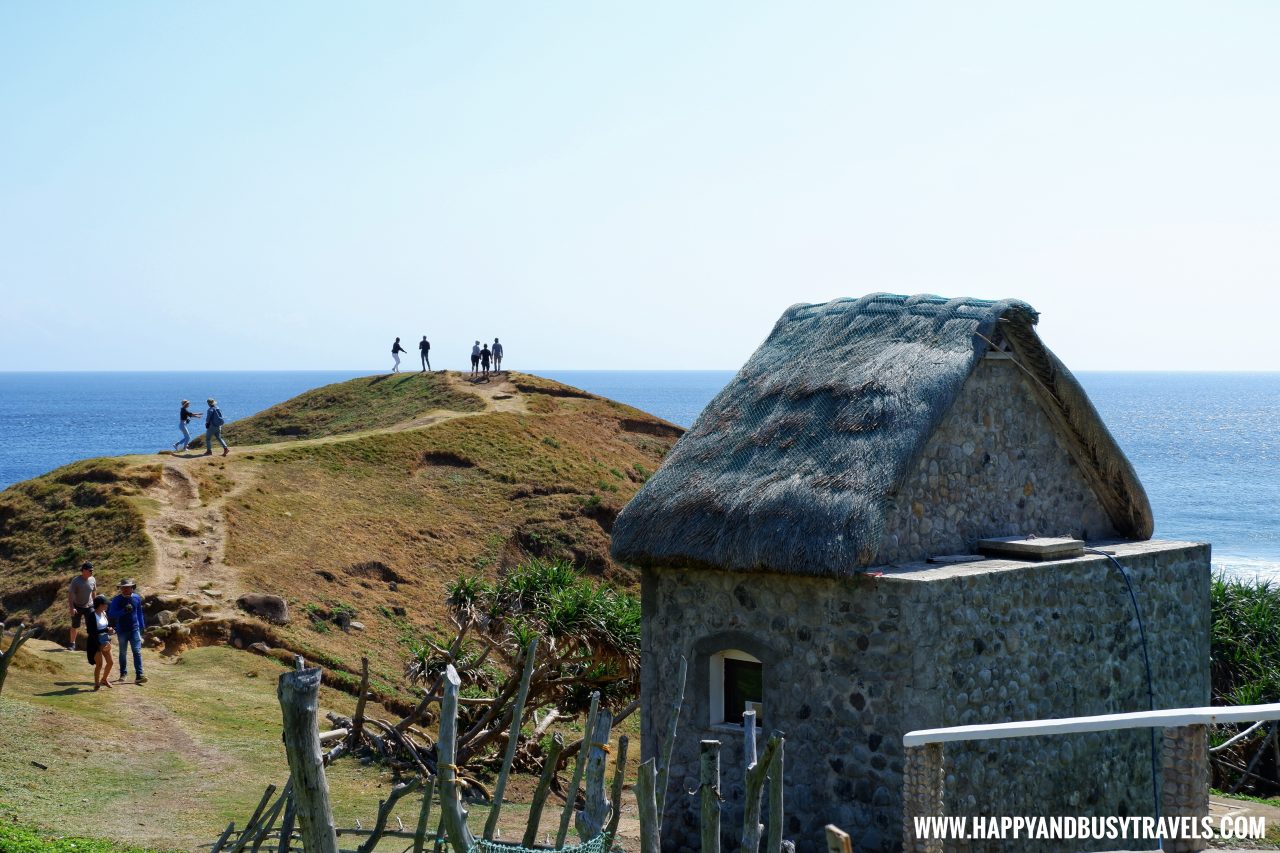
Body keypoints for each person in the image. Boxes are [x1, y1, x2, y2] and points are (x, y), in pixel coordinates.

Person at [107, 579, 147, 684]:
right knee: (123, 653)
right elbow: (111, 614)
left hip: (135, 629)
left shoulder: (136, 598)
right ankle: (123, 674)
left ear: (132, 588)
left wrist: (142, 627)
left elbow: (139, 613)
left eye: (127, 587)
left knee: (137, 652)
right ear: (120, 588)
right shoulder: (117, 600)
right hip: (122, 630)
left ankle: (139, 675)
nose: (124, 589)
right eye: (122, 587)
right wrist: (123, 611)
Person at [86, 594, 114, 689]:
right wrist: (105, 630)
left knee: (110, 662)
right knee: (99, 664)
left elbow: (107, 626)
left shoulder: (104, 614)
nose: (107, 605)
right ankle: (96, 683)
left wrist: (110, 629)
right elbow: (90, 631)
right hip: (95, 642)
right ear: (100, 605)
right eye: (105, 604)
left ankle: (104, 679)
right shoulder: (92, 616)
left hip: (105, 641)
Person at [67, 562, 96, 650]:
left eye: (92, 570)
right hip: (77, 606)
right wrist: (72, 608)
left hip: (89, 606)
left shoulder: (93, 579)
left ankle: (92, 644)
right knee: (75, 625)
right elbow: (70, 595)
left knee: (91, 625)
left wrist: (95, 605)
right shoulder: (76, 581)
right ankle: (72, 644)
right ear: (83, 570)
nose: (91, 572)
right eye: (90, 570)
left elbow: (94, 592)